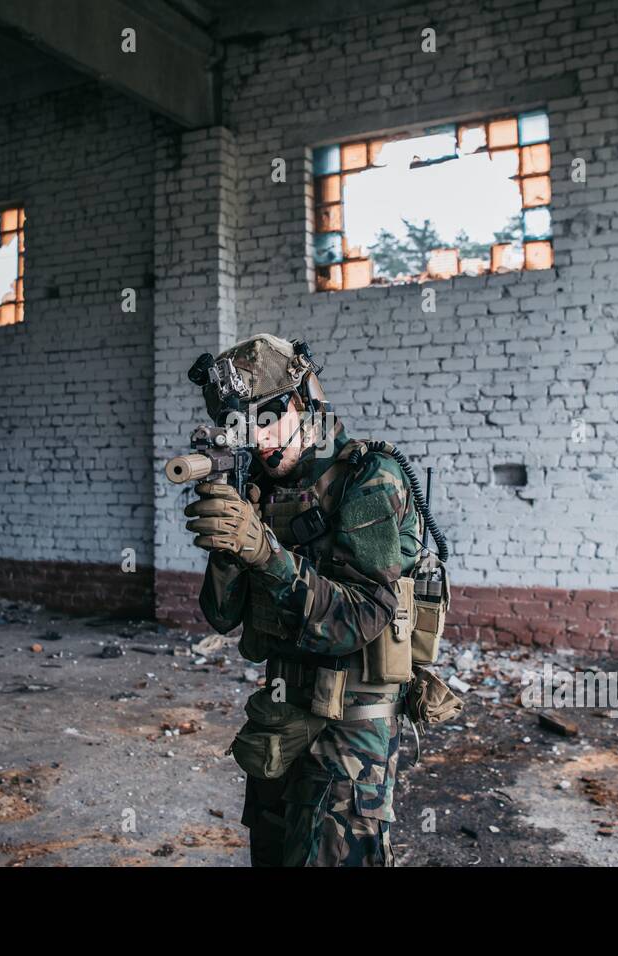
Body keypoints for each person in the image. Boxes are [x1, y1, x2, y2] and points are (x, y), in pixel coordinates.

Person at [182, 332, 424, 866]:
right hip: (282, 709)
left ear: (306, 400)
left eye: (269, 416)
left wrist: (262, 550)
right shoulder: (260, 486)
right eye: (242, 425)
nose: (261, 439)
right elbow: (221, 617)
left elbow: (361, 617)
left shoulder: (368, 478)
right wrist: (228, 545)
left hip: (352, 723)